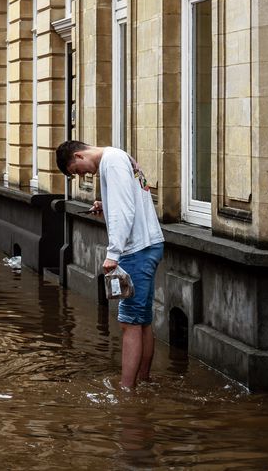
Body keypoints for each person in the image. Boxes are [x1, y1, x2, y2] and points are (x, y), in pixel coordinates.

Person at [56, 140, 164, 389]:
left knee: (129, 323)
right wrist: (106, 206)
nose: (82, 175)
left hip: (136, 250)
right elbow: (131, 201)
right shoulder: (118, 157)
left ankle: (126, 391)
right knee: (142, 320)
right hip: (148, 245)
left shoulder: (111, 163)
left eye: (76, 171)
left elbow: (124, 211)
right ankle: (144, 382)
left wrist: (113, 253)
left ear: (79, 156)